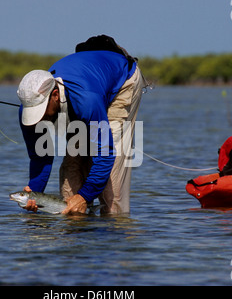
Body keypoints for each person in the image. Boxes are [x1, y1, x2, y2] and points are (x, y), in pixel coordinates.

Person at [17, 35, 146, 215]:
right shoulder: (28, 107)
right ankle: (77, 234)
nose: (39, 119)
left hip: (122, 83)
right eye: (34, 113)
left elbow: (105, 155)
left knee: (111, 185)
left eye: (42, 111)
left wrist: (84, 196)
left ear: (55, 95)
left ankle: (116, 231)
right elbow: (41, 157)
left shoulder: (87, 101)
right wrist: (34, 193)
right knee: (72, 170)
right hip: (85, 87)